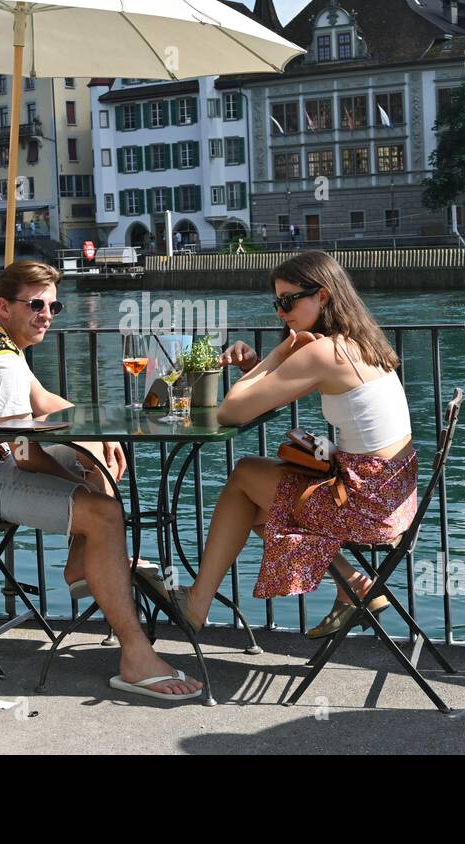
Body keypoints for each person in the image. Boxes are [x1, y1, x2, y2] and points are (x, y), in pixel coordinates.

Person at [0, 260, 203, 699]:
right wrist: (85, 484)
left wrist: (94, 438)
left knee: (94, 460)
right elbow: (26, 456)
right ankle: (135, 655)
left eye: (52, 306)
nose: (46, 314)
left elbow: (44, 401)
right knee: (102, 511)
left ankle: (80, 566)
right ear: (4, 306)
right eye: (35, 305)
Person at [171, 251, 418, 639]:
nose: (281, 312)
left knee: (244, 475)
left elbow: (231, 412)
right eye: (277, 302)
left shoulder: (324, 352)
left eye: (289, 301)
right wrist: (260, 367)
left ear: (322, 296)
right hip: (392, 498)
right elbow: (269, 392)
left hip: (367, 505)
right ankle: (352, 585)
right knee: (254, 499)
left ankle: (197, 603)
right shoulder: (358, 344)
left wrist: (278, 352)